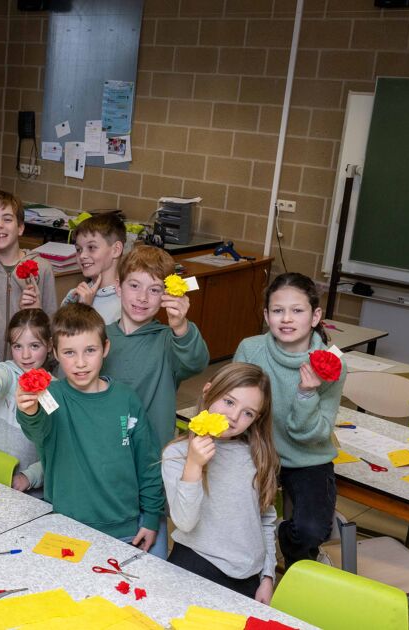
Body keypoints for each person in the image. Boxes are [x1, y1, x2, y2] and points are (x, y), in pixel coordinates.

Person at [16, 303, 165, 556]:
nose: (81, 363)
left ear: (105, 348)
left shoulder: (126, 398)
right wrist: (29, 411)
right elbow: (37, 431)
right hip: (67, 527)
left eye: (90, 350)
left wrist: (151, 516)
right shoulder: (50, 396)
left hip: (125, 528)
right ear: (55, 352)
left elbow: (148, 462)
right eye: (69, 352)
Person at [234, 272, 345, 567]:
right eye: (277, 310)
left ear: (315, 316)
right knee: (235, 518)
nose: (286, 319)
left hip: (308, 457)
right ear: (266, 315)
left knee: (310, 530)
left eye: (297, 310)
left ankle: (292, 562)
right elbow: (232, 409)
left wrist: (306, 394)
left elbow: (314, 434)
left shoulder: (331, 364)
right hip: (258, 449)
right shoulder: (251, 349)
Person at [162, 362, 279, 603]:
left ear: (256, 419)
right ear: (208, 392)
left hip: (249, 576)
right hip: (195, 565)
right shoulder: (177, 454)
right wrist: (194, 465)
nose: (234, 417)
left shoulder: (257, 455)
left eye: (248, 413)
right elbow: (184, 522)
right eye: (229, 402)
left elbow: (265, 519)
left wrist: (267, 576)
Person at [103, 245, 209, 447]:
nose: (142, 297)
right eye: (134, 285)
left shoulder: (169, 341)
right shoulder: (99, 338)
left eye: (154, 290)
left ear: (166, 295)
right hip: (106, 447)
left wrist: (181, 326)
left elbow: (197, 362)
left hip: (152, 452)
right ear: (118, 287)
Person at [0, 189, 58, 355]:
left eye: (7, 219)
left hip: (27, 361)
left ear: (20, 228)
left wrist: (37, 312)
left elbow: (52, 326)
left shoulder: (42, 268)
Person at [0, 309, 53, 493]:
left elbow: (57, 449)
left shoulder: (55, 391)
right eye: (17, 346)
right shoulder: (7, 370)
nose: (25, 355)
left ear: (50, 345)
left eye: (34, 346)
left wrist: (30, 477)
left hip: (24, 489)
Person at [60, 213, 126, 324]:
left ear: (116, 250)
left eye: (91, 247)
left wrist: (84, 311)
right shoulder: (74, 295)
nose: (82, 256)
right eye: (79, 249)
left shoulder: (128, 303)